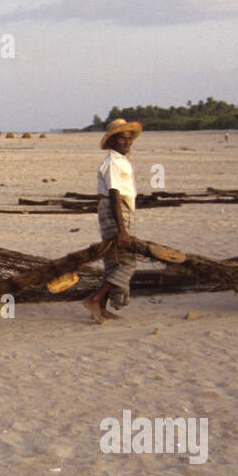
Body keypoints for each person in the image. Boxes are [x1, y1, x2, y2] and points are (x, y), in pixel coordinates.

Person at [85, 118, 141, 324]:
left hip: (119, 209)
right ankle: (95, 299)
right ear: (112, 141)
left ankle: (101, 307)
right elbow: (114, 194)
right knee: (127, 261)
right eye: (122, 138)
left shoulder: (121, 161)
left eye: (129, 138)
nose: (127, 142)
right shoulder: (112, 163)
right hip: (114, 210)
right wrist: (122, 230)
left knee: (114, 259)